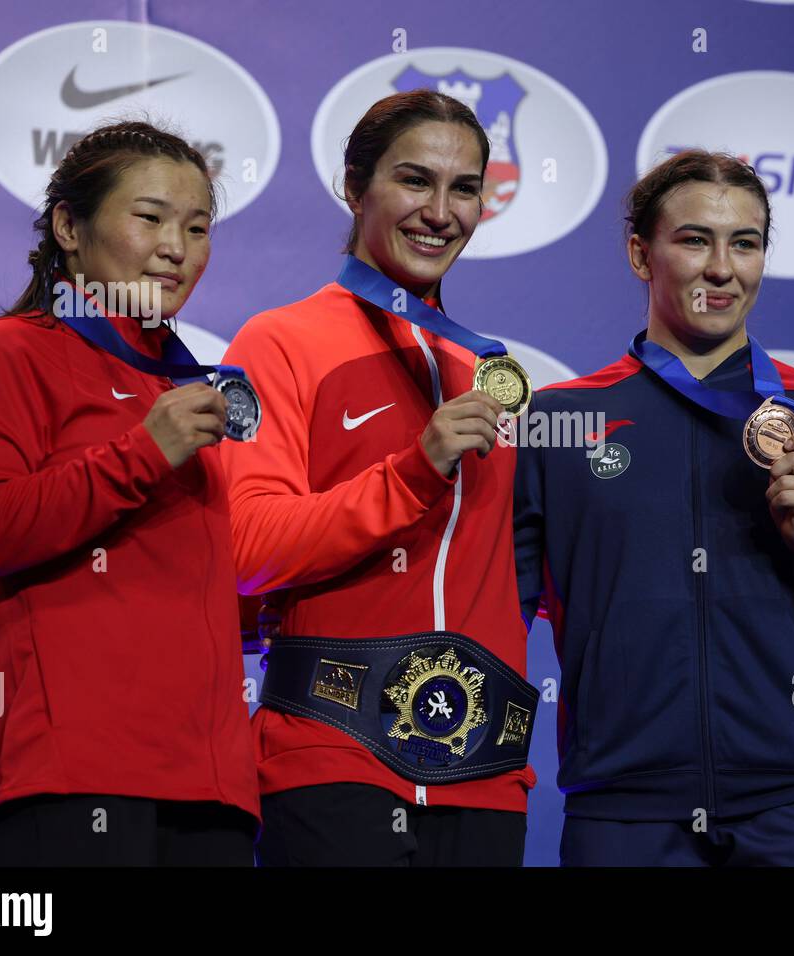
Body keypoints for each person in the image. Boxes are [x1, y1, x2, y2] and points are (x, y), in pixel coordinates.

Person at [513, 150, 794, 866]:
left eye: (745, 244)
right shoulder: (557, 422)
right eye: (694, 240)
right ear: (640, 253)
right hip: (623, 811)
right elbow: (496, 617)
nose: (722, 268)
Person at [0, 121, 260, 866]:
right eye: (150, 218)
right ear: (69, 227)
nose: (177, 247)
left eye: (198, 227)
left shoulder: (181, 385)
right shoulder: (3, 354)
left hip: (213, 791)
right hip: (67, 783)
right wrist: (141, 454)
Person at [221, 89, 536, 867]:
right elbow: (248, 549)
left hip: (484, 775)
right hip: (332, 763)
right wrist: (413, 471)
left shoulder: (487, 370)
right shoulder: (278, 342)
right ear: (353, 187)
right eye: (413, 181)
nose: (441, 211)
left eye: (465, 189)